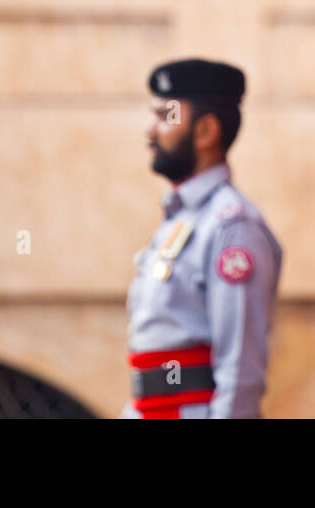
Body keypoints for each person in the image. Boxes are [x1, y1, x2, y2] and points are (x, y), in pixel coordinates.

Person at [122, 58, 282, 418]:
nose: (150, 131)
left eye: (166, 116)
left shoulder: (231, 227)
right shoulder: (181, 221)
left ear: (205, 131)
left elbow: (240, 372)